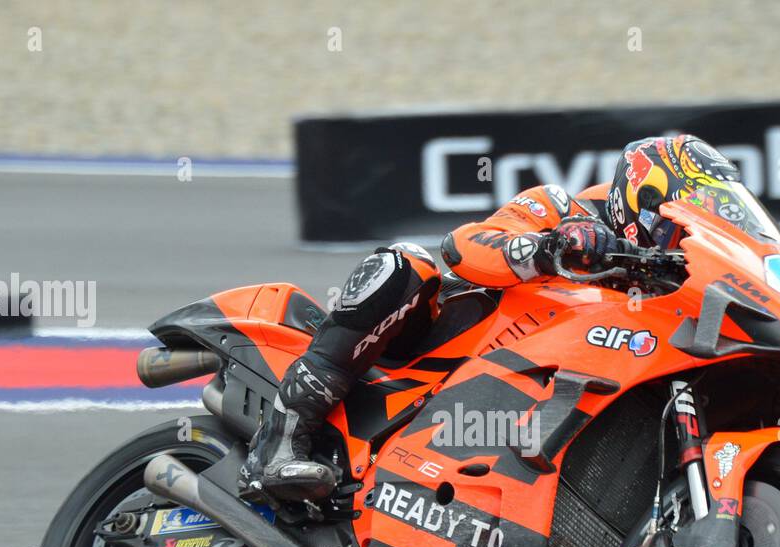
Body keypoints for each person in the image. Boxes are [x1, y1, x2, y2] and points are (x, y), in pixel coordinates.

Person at [239, 133, 742, 504]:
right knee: (406, 263)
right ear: (641, 198)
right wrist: (549, 249)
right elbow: (464, 245)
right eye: (676, 219)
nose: (682, 237)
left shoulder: (667, 287)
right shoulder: (563, 208)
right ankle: (281, 438)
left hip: (532, 411)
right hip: (437, 358)